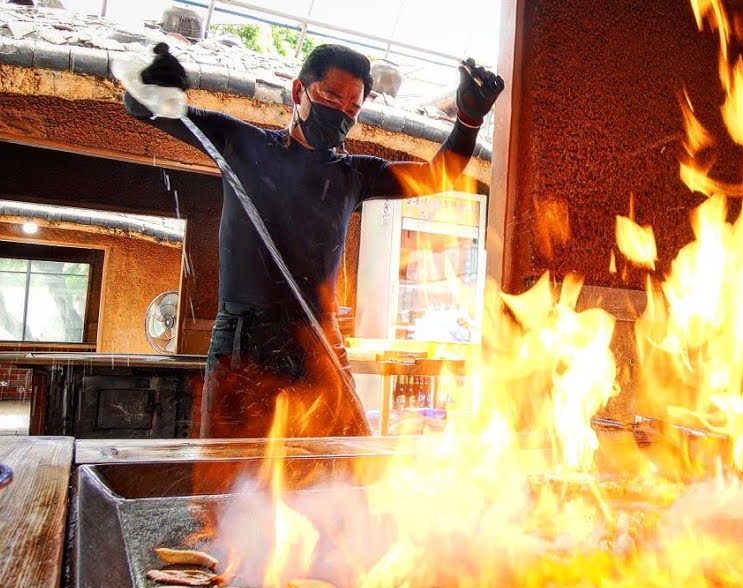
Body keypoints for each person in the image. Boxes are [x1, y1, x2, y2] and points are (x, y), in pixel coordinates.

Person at [123, 43, 504, 438]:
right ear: (298, 92)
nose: (340, 112)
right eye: (330, 97)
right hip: (244, 341)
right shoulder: (244, 145)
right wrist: (152, 85)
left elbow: (437, 175)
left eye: (352, 109)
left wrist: (469, 120)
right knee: (230, 473)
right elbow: (145, 109)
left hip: (321, 338)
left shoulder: (353, 175)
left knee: (344, 462)